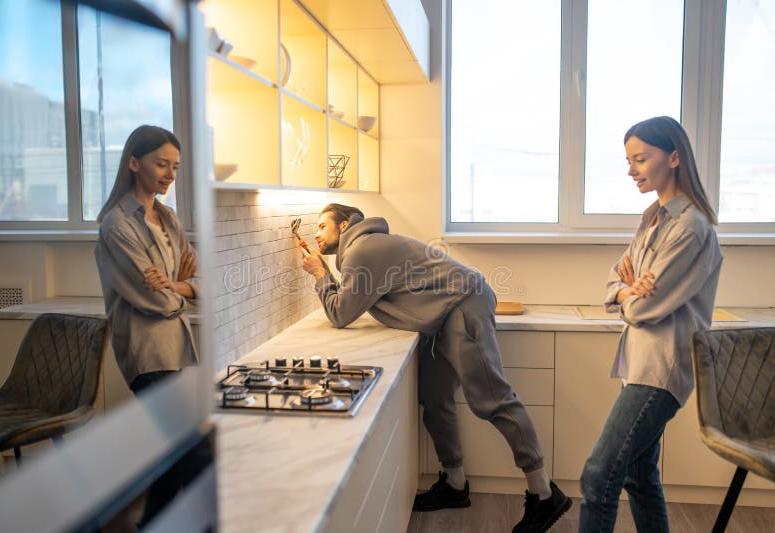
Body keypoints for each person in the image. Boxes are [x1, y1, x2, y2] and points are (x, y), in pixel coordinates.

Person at [301, 203, 572, 532]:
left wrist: (319, 274)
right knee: (434, 396)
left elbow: (341, 313)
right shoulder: (365, 248)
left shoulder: (363, 250)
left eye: (322, 226)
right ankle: (454, 484)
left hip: (463, 305)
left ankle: (544, 493)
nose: (315, 234)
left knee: (492, 399)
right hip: (442, 315)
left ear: (344, 226)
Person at [579, 116, 723, 532]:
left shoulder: (691, 227)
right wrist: (626, 290)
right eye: (629, 161)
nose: (631, 170)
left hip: (661, 369)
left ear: (674, 157)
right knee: (639, 477)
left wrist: (628, 295)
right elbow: (615, 277)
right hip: (641, 364)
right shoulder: (653, 218)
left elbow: (646, 310)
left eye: (641, 159)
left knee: (598, 473)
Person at [95, 124, 200, 525]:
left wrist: (176, 283)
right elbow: (154, 299)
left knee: (173, 451)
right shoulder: (116, 225)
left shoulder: (168, 217)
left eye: (175, 166)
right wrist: (183, 289)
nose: (170, 174)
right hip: (147, 352)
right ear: (134, 162)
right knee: (189, 450)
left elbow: (196, 279)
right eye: (161, 164)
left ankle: (151, 523)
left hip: (178, 347)